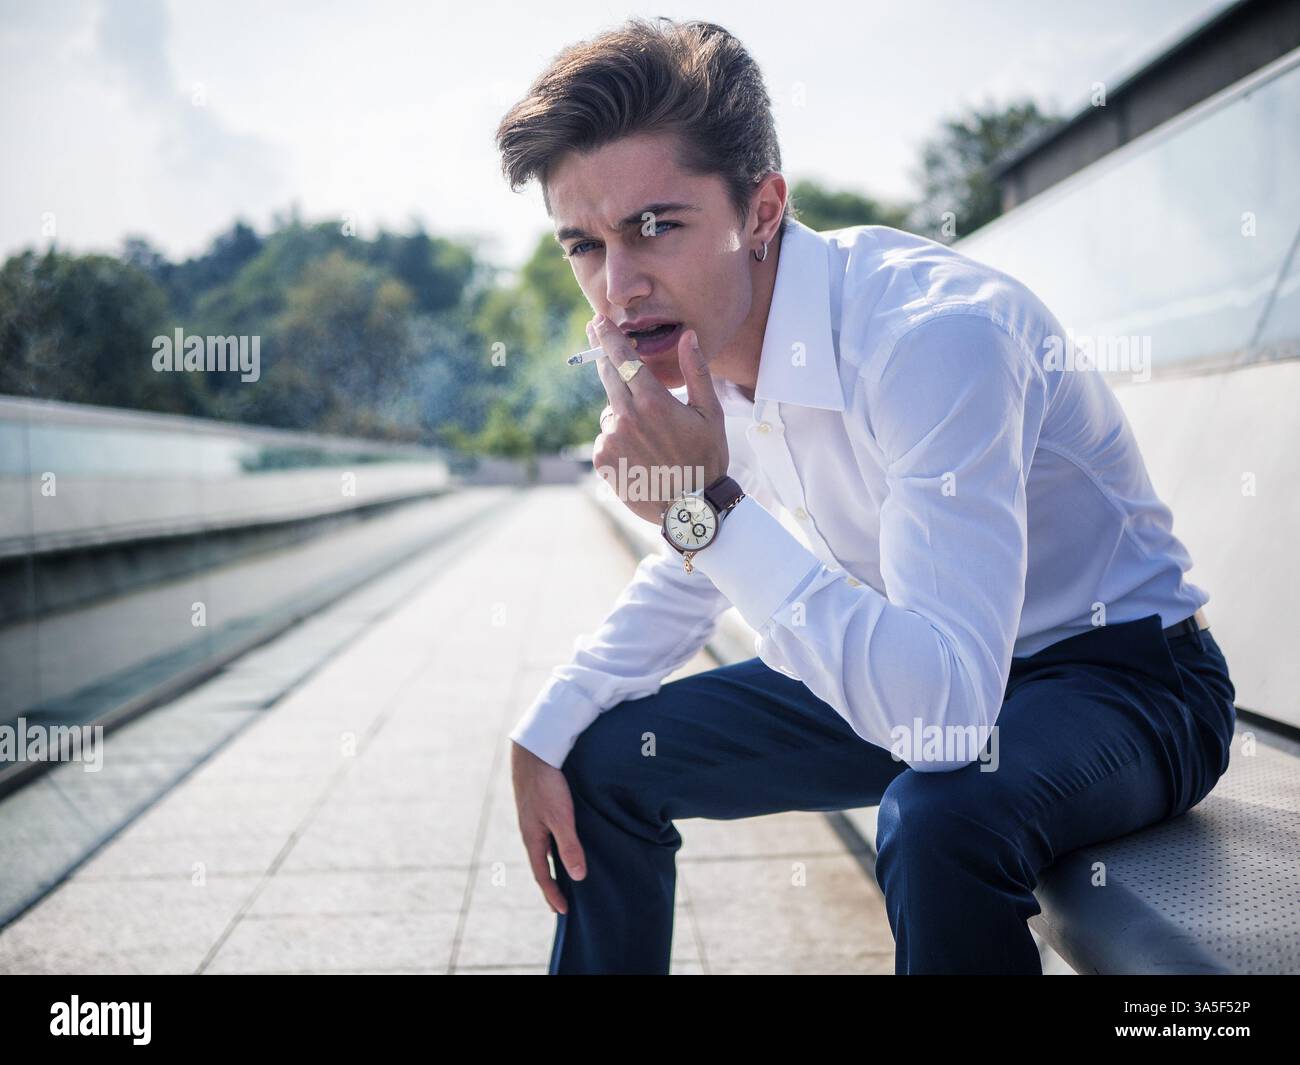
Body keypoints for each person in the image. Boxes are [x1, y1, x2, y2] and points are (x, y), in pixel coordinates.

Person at [493, 16, 1236, 974]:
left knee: (939, 822)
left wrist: (704, 505)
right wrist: (547, 723)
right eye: (585, 246)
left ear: (761, 212)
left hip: (1124, 681)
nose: (618, 289)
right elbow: (697, 570)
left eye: (655, 226)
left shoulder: (933, 339)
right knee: (601, 761)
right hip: (923, 665)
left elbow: (944, 721)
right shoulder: (703, 342)